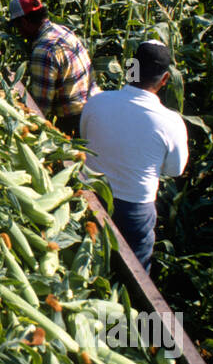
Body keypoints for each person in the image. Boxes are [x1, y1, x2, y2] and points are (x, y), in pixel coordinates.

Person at [79, 40, 189, 273]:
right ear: (165, 79)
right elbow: (174, 170)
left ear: (130, 68)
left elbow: (84, 138)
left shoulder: (96, 102)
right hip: (134, 210)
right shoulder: (171, 122)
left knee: (87, 262)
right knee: (133, 277)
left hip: (90, 198)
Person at [6, 0, 97, 137]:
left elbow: (39, 108)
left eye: (17, 27)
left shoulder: (44, 51)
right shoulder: (63, 31)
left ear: (24, 22)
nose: (19, 33)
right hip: (95, 110)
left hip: (74, 122)